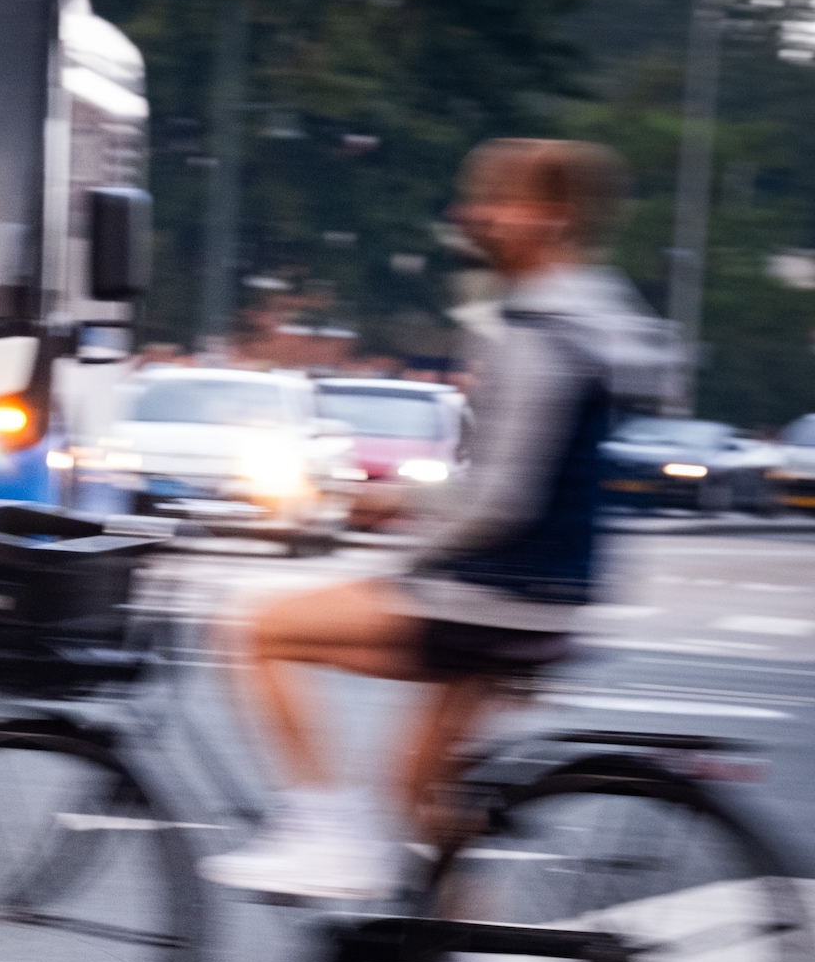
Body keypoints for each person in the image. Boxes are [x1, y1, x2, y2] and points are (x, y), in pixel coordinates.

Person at [201, 139, 670, 901]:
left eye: (497, 199)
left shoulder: (540, 331)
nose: (472, 214)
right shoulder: (584, 315)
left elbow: (499, 497)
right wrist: (401, 504)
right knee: (422, 794)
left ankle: (326, 836)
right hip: (543, 590)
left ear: (550, 220)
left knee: (256, 627)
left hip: (490, 591)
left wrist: (406, 547)